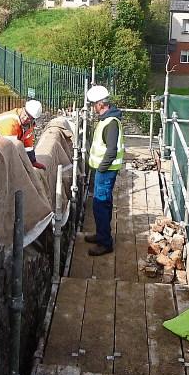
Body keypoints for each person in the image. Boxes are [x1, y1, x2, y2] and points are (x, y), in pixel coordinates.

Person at [84, 85, 124, 256]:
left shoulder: (111, 123)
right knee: (102, 204)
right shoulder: (106, 120)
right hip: (104, 170)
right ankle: (102, 234)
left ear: (100, 104)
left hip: (106, 171)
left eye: (94, 104)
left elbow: (111, 150)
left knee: (100, 205)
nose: (93, 108)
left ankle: (105, 242)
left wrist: (100, 169)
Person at [0, 100, 46, 170]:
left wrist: (33, 161)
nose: (25, 119)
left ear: (33, 119)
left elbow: (28, 146)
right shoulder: (10, 121)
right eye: (25, 115)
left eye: (29, 118)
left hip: (0, 140)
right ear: (23, 109)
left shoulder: (29, 126)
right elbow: (10, 148)